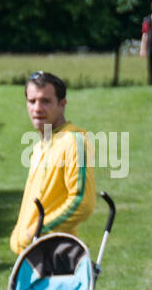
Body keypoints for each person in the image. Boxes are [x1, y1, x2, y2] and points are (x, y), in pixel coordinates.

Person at [10, 72, 95, 255]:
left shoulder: (74, 141)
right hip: (34, 254)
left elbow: (82, 202)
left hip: (55, 257)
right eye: (32, 101)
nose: (37, 108)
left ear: (62, 104)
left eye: (45, 101)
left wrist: (36, 232)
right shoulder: (41, 145)